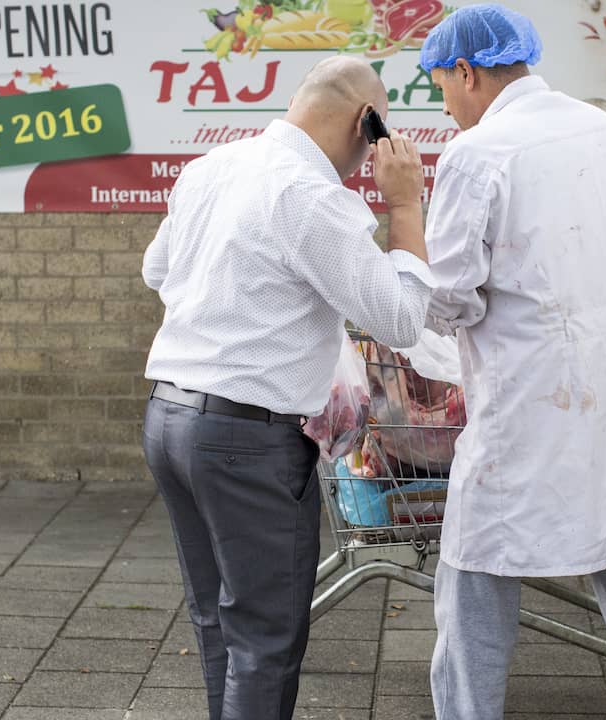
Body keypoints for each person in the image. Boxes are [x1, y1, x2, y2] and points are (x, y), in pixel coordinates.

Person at [418, 6, 606, 719]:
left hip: (533, 405)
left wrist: (406, 216)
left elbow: (451, 302)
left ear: (467, 71)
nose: (445, 103)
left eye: (442, 86)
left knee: (473, 577)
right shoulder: (601, 129)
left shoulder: (478, 153)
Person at [139, 56, 433, 720]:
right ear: (368, 122)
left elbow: (157, 269)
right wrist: (405, 204)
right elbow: (400, 318)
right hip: (248, 440)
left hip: (169, 418)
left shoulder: (211, 167)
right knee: (265, 640)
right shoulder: (312, 196)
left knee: (221, 622)